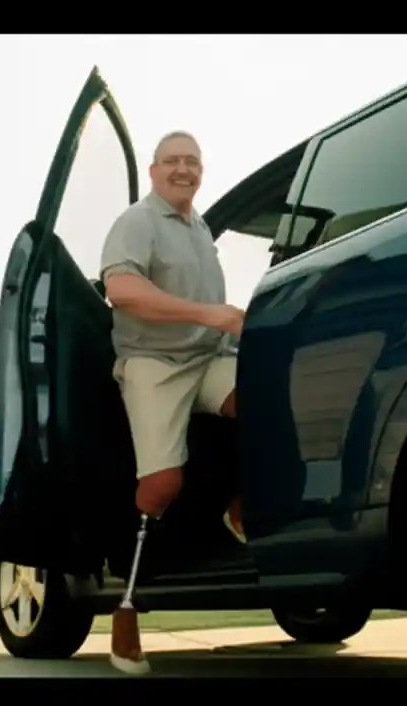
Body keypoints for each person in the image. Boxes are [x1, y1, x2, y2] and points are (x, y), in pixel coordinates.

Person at [99, 130, 247, 675]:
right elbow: (122, 292)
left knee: (264, 400)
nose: (183, 169)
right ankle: (127, 607)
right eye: (173, 162)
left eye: (193, 161)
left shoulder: (201, 227)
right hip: (152, 363)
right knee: (162, 486)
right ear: (153, 170)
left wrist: (227, 326)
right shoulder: (138, 221)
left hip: (208, 357)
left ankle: (240, 510)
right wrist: (212, 315)